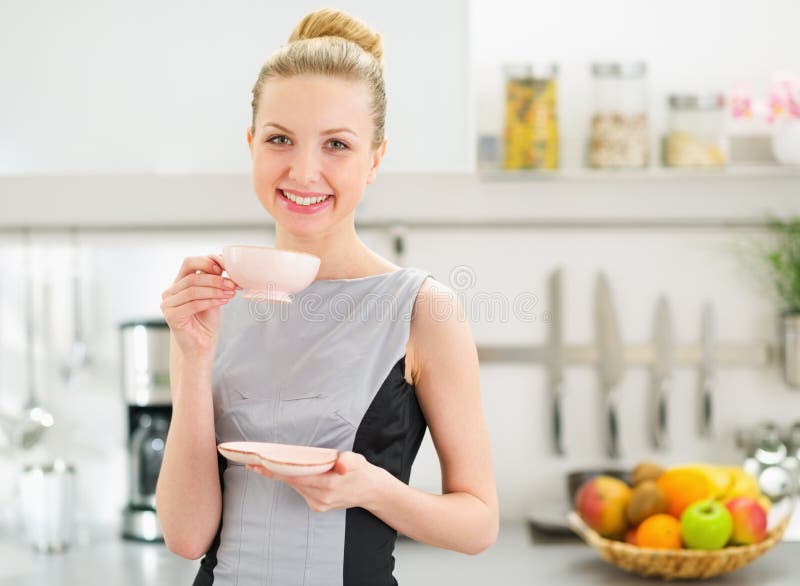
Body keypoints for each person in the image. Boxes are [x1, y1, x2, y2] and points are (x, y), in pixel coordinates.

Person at [156, 8, 498, 586]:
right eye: (279, 139)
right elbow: (187, 537)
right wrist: (193, 357)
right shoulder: (209, 302)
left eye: (337, 144)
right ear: (251, 145)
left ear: (375, 160)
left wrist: (374, 489)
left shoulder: (421, 310)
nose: (304, 170)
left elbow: (478, 524)